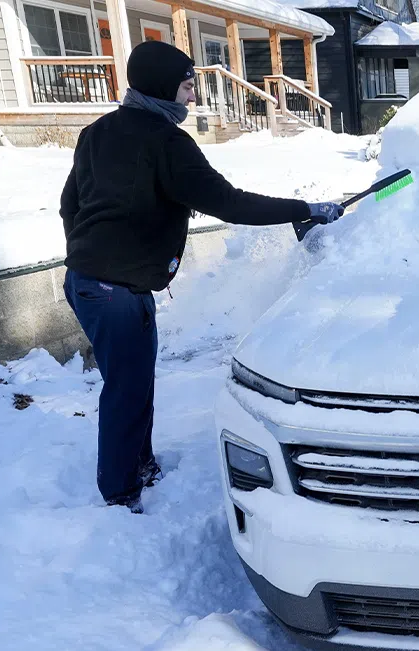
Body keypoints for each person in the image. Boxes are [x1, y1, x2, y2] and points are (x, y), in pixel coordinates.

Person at [60, 41, 345, 513]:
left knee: (131, 382)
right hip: (115, 290)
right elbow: (227, 202)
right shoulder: (165, 141)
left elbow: (71, 204)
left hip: (91, 281)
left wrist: (91, 253)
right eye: (188, 85)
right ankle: (120, 493)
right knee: (126, 390)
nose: (192, 97)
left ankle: (139, 465)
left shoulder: (98, 131)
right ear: (162, 85)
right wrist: (305, 209)